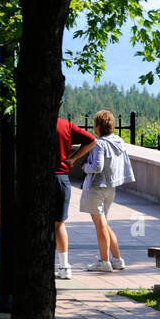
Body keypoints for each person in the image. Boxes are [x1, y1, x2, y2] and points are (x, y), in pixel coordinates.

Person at [80, 110, 135, 272]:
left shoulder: (100, 144)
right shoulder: (119, 141)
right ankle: (117, 259)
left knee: (100, 226)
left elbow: (97, 166)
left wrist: (85, 167)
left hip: (96, 188)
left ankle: (104, 262)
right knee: (104, 224)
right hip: (111, 188)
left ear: (98, 126)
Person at [54, 116, 97, 279]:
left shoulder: (35, 122)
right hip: (61, 179)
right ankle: (64, 266)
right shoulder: (65, 124)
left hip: (40, 178)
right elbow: (92, 140)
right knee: (59, 224)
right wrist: (72, 158)